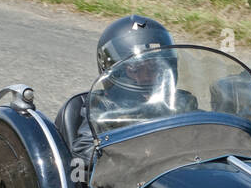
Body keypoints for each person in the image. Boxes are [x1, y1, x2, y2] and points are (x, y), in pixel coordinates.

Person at [71, 14, 190, 162]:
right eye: (136, 70)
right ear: (115, 71)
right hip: (132, 180)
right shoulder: (102, 107)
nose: (146, 77)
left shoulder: (181, 102)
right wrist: (134, 157)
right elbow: (83, 148)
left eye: (154, 68)